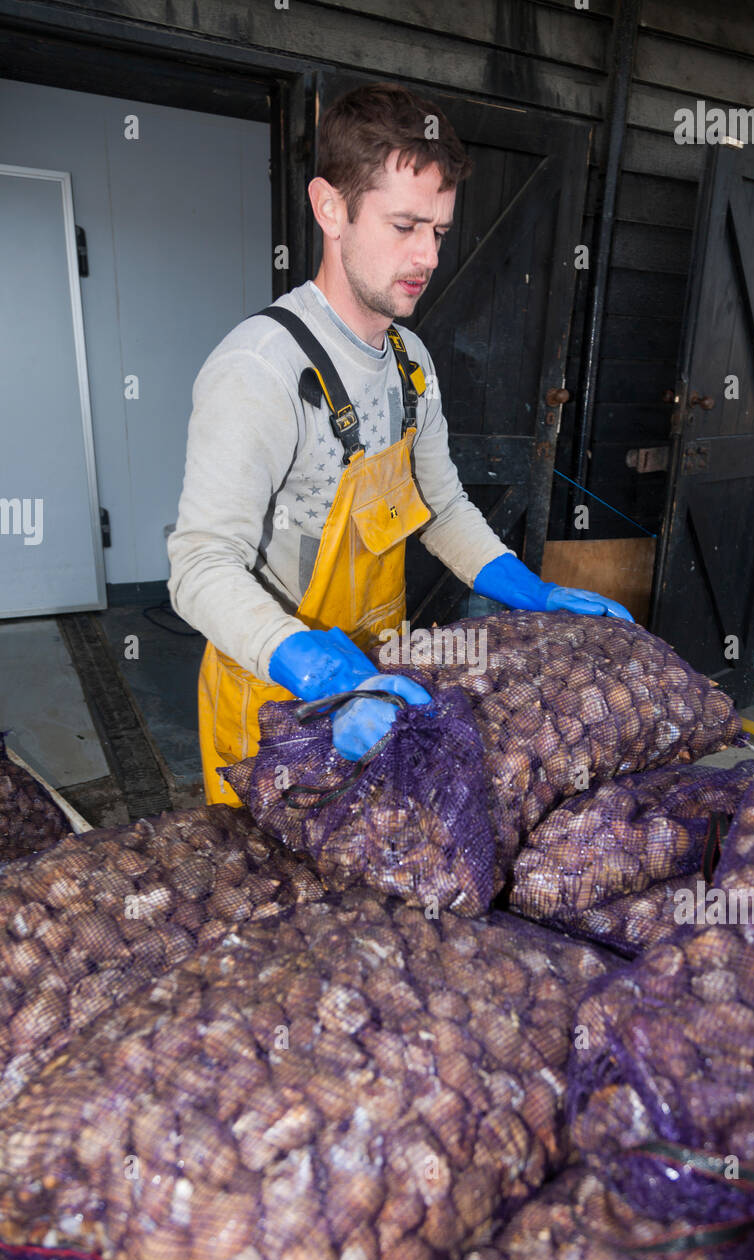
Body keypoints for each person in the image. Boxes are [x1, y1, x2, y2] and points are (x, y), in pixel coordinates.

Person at [168, 82, 631, 806]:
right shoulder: (261, 370)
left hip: (386, 683)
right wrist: (313, 667)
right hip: (273, 703)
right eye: (405, 225)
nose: (427, 256)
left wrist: (525, 587)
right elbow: (198, 566)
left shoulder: (411, 361)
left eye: (440, 232)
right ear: (330, 209)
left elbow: (440, 506)